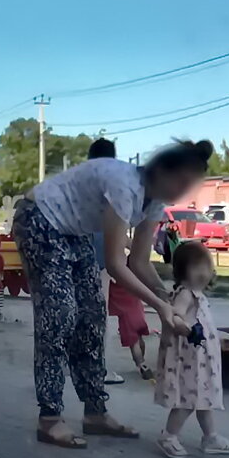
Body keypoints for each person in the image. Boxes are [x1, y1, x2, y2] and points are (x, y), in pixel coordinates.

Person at [12, 139, 212, 449]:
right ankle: (49, 418)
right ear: (161, 170)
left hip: (71, 231)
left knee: (93, 317)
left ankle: (95, 413)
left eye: (189, 184)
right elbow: (117, 265)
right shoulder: (125, 185)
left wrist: (168, 297)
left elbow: (140, 261)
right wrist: (160, 306)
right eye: (181, 181)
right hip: (38, 218)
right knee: (60, 315)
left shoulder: (155, 200)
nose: (183, 190)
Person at [155, 241, 229, 458]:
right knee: (188, 400)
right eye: (196, 268)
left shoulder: (198, 295)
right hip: (190, 361)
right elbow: (176, 314)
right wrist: (179, 321)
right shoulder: (186, 294)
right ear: (183, 272)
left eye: (206, 267)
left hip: (201, 359)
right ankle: (169, 436)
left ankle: (210, 436)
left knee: (203, 398)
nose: (203, 273)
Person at [86, 138, 124, 385]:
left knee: (77, 311)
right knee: (99, 314)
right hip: (102, 254)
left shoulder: (80, 179)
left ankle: (73, 364)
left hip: (75, 251)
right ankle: (99, 368)